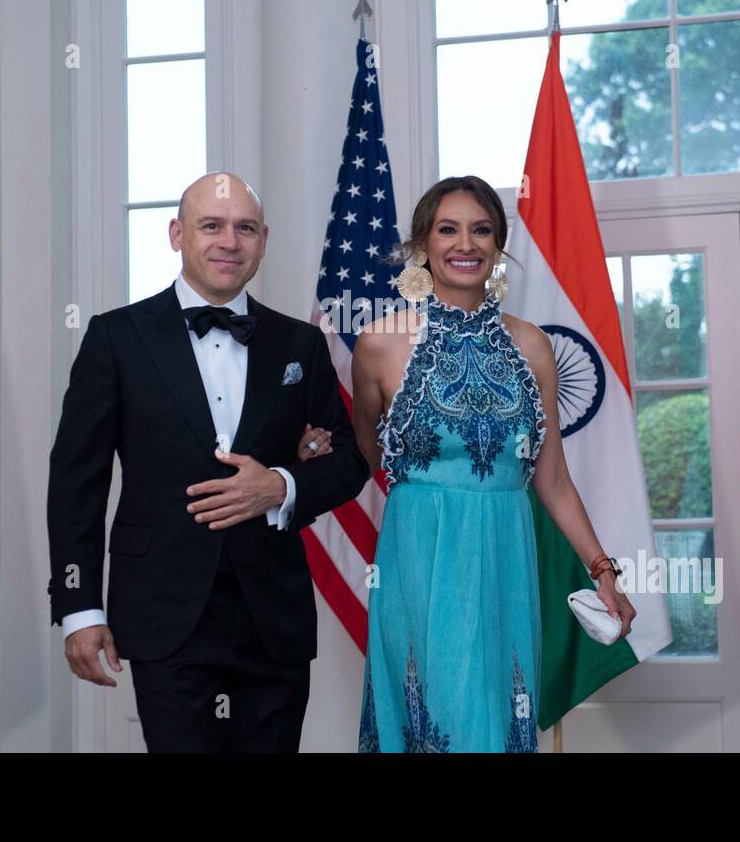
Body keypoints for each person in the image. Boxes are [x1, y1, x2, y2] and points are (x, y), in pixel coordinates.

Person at [46, 172, 368, 752]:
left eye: (245, 228)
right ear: (177, 234)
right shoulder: (115, 337)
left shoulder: (301, 344)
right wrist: (79, 607)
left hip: (273, 613)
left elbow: (350, 462)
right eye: (211, 226)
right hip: (163, 609)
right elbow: (76, 483)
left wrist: (281, 484)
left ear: (264, 240)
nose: (229, 241)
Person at [350, 175, 637, 752]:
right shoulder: (378, 344)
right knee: (430, 717)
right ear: (423, 245)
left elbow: (551, 477)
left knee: (495, 720)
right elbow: (368, 446)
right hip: (420, 556)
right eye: (448, 229)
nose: (466, 243)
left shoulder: (532, 345)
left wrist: (603, 570)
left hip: (506, 552)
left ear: (499, 245)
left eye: (481, 230)